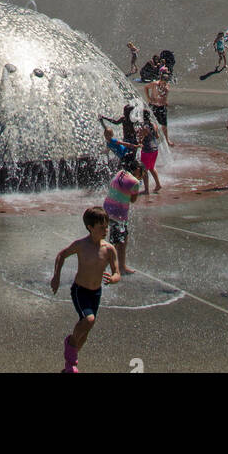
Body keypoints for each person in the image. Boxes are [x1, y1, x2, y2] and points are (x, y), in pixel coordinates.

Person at [50, 206, 120, 373]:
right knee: (88, 320)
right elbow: (61, 255)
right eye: (101, 227)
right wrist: (56, 277)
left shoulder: (109, 249)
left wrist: (113, 278)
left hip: (96, 293)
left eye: (106, 226)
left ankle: (70, 364)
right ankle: (70, 350)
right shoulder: (81, 245)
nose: (106, 230)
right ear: (90, 227)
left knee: (86, 332)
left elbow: (117, 272)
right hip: (80, 290)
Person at [101, 133, 141, 277]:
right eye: (140, 171)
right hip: (118, 215)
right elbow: (133, 200)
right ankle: (115, 268)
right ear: (136, 169)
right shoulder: (135, 182)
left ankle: (116, 266)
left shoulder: (120, 173)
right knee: (119, 242)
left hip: (107, 210)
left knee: (115, 240)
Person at [146, 68, 175, 146]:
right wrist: (148, 98)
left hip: (162, 107)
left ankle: (167, 139)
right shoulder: (155, 84)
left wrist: (165, 101)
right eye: (163, 82)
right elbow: (146, 87)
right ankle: (152, 138)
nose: (164, 84)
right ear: (160, 80)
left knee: (164, 124)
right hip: (154, 106)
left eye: (165, 82)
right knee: (152, 123)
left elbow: (164, 94)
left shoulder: (167, 85)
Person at [137, 113, 162, 193]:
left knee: (144, 170)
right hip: (155, 149)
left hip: (147, 150)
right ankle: (158, 185)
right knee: (151, 168)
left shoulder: (144, 127)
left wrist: (139, 138)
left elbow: (140, 140)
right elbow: (157, 136)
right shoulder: (154, 125)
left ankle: (146, 190)